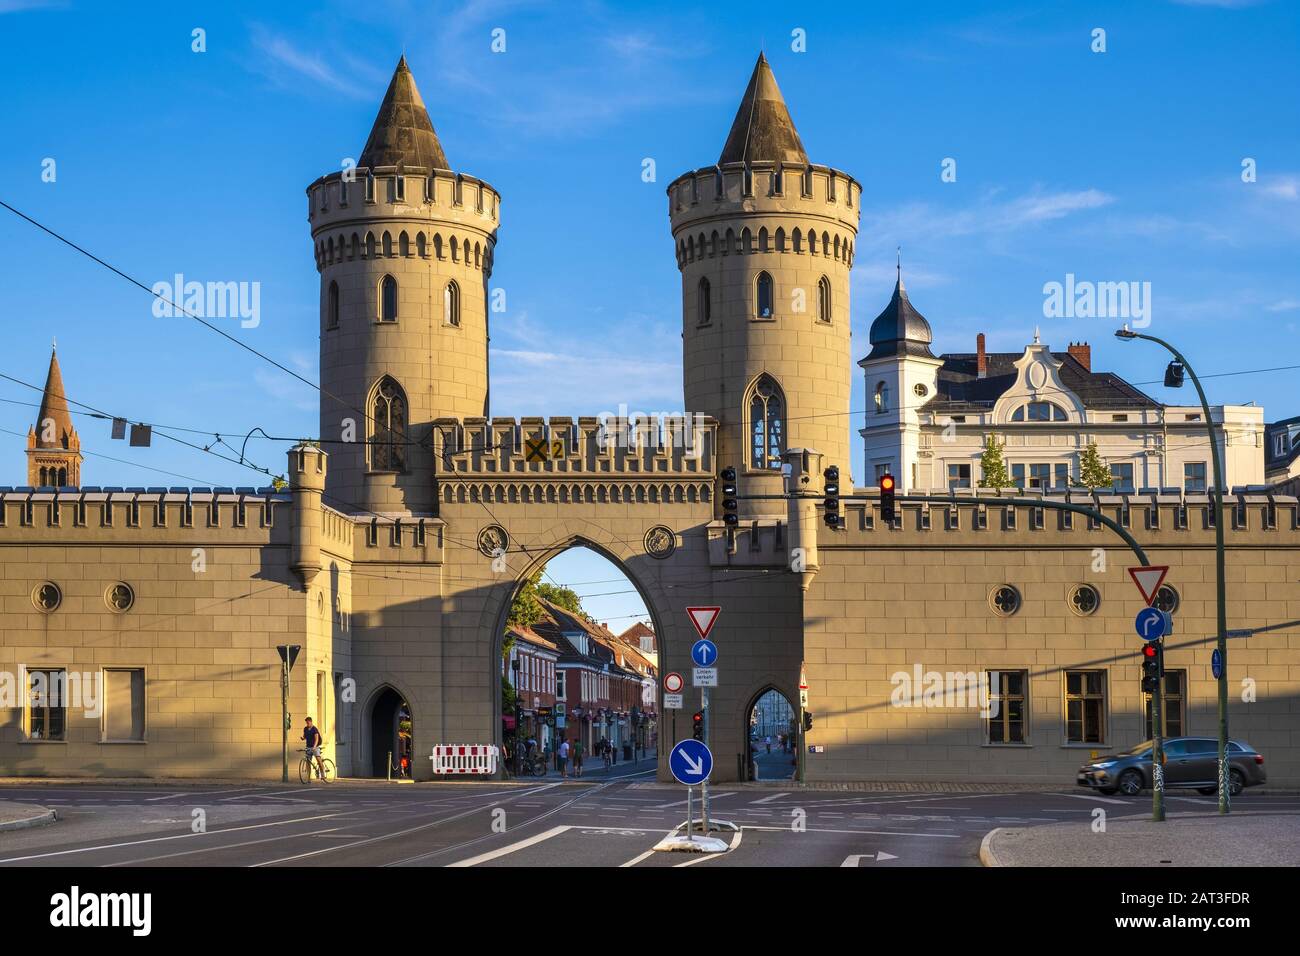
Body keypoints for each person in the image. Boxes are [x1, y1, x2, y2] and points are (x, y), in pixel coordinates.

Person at [302, 717, 326, 781]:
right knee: (308, 762)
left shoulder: (314, 729)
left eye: (308, 722)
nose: (307, 724)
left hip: (315, 747)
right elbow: (305, 736)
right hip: (308, 746)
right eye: (306, 722)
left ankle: (323, 774)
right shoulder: (305, 729)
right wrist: (303, 738)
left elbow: (316, 739)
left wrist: (314, 747)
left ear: (311, 722)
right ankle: (308, 778)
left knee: (318, 759)